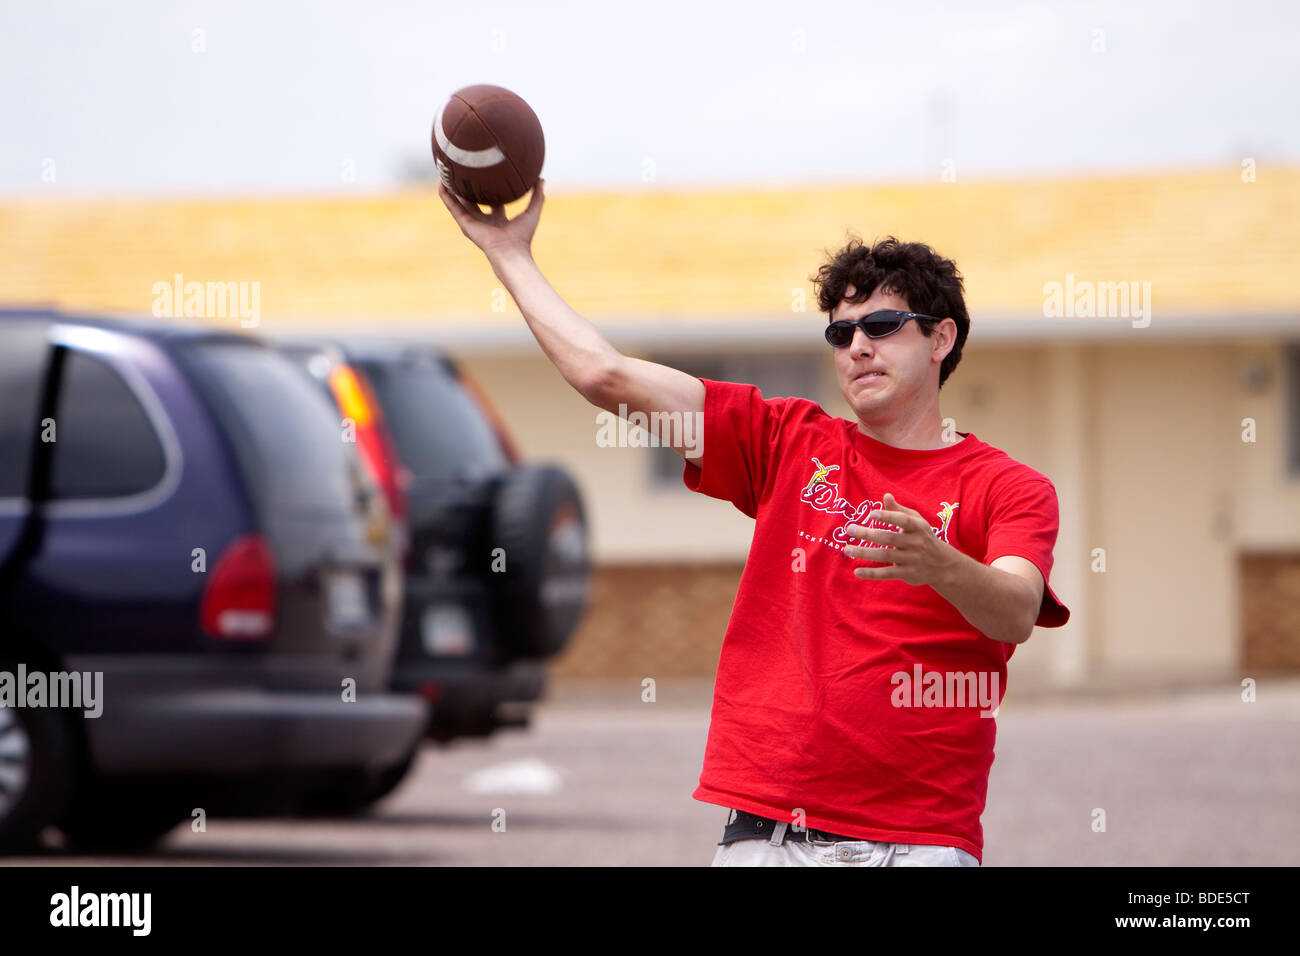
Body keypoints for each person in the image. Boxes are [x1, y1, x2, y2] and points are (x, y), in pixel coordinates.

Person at [438, 180, 1070, 867]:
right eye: (840, 332)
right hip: (764, 839)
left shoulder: (1009, 487)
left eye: (882, 327)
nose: (857, 346)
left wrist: (941, 563)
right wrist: (508, 253)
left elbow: (1015, 609)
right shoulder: (784, 442)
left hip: (917, 843)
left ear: (941, 337)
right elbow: (603, 375)